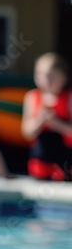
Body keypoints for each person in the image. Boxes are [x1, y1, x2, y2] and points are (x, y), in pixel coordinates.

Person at [22, 52, 72, 181]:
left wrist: (57, 124)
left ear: (64, 77)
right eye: (40, 75)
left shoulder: (69, 99)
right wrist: (40, 119)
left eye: (51, 75)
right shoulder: (32, 97)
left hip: (66, 164)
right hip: (40, 165)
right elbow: (27, 132)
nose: (46, 80)